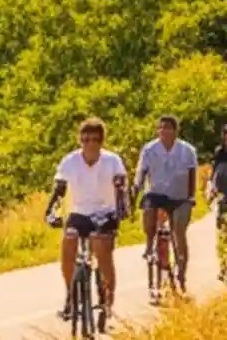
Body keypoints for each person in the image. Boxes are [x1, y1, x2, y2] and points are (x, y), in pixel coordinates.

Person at [44, 117, 129, 322]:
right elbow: (59, 190)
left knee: (102, 252)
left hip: (105, 213)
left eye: (95, 139)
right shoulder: (70, 161)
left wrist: (121, 210)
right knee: (68, 245)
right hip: (80, 213)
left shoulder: (112, 160)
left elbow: (120, 188)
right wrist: (51, 211)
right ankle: (71, 297)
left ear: (101, 141)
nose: (90, 143)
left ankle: (107, 300)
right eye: (86, 139)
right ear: (80, 140)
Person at [133, 115, 198, 288]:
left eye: (168, 128)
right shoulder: (149, 149)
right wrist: (136, 187)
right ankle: (149, 244)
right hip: (157, 193)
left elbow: (192, 174)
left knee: (179, 230)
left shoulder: (187, 151)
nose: (164, 131)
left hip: (180, 196)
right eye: (161, 128)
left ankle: (181, 267)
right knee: (148, 208)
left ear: (176, 131)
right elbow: (141, 172)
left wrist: (191, 197)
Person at [206, 124, 227, 281]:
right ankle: (223, 267)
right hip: (223, 197)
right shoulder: (219, 152)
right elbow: (214, 174)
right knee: (222, 232)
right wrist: (211, 190)